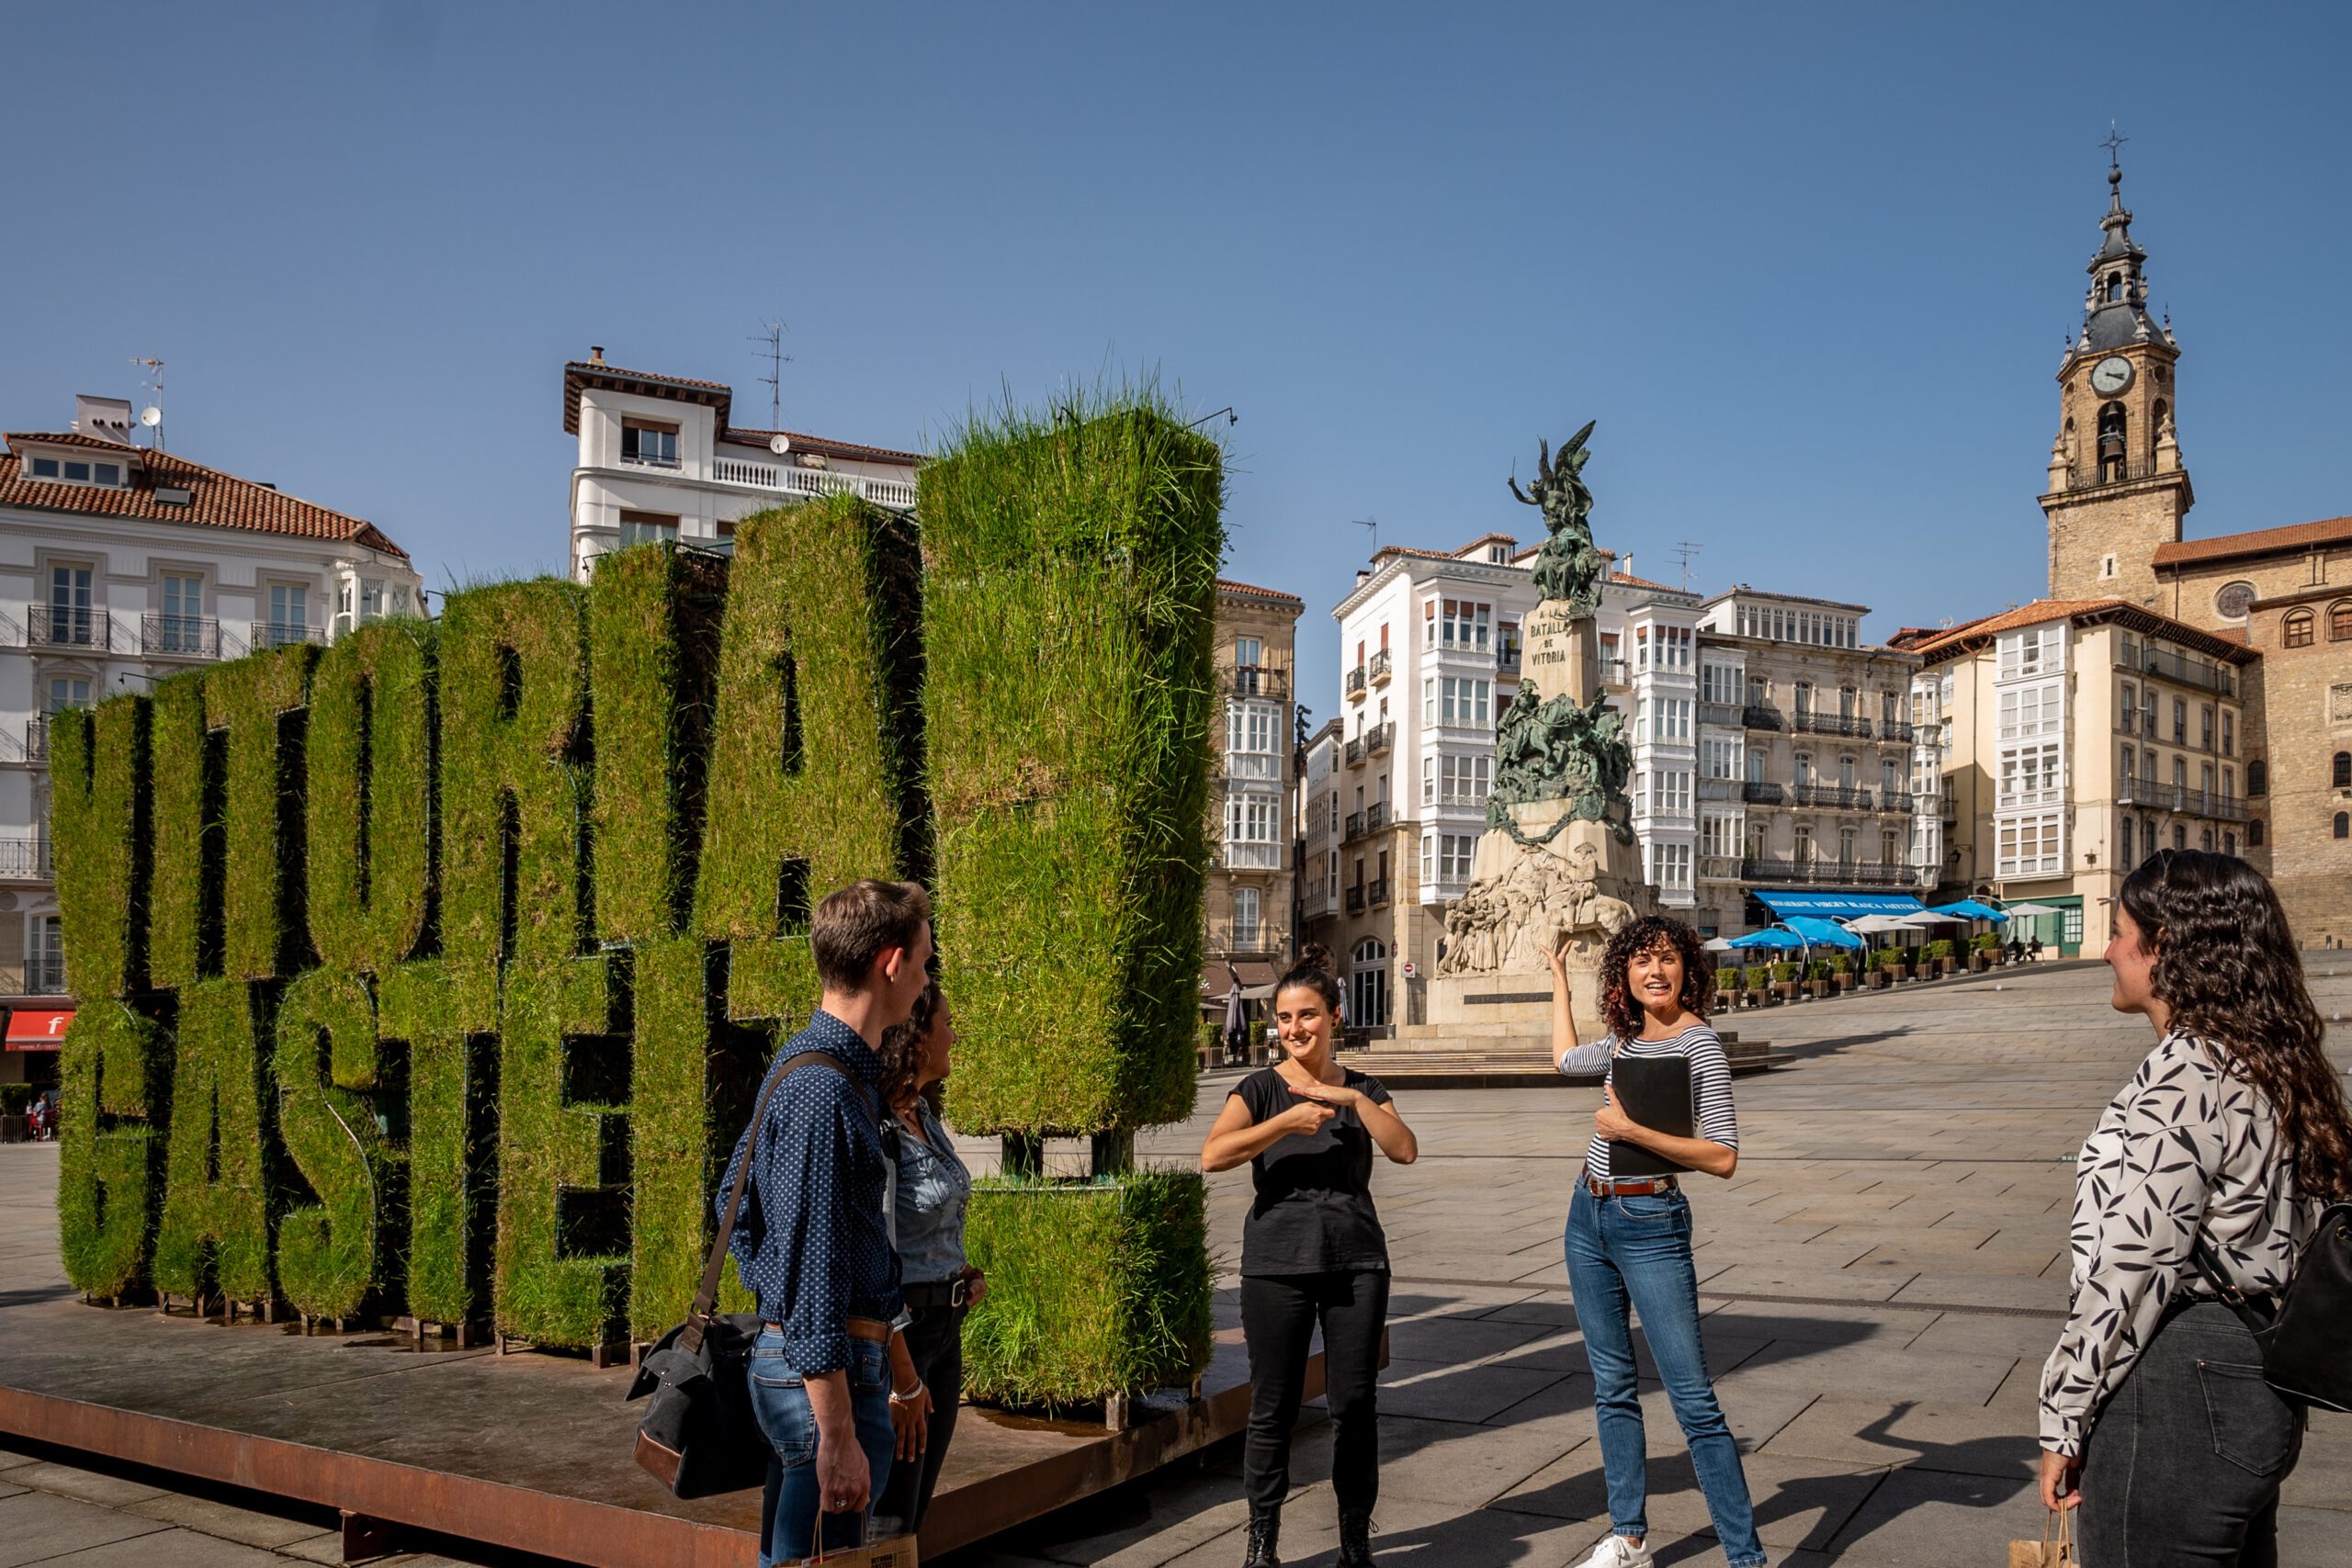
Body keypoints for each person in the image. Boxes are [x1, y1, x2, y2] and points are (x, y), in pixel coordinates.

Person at [2036, 851, 2347, 1562]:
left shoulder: (2186, 1072)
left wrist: (2064, 1414)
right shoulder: (2265, 1056)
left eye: (2119, 931)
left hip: (2178, 1386)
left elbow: (2131, 1267)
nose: (2108, 951)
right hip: (2257, 1372)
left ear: (2165, 944)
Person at [719, 879, 933, 1568]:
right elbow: (813, 1266)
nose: (927, 980)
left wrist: (773, 1287)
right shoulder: (825, 1086)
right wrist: (835, 1432)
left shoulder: (819, 1065)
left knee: (800, 1558)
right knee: (821, 1559)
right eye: (925, 962)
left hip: (815, 1363)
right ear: (891, 963)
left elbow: (733, 1197)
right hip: (828, 1371)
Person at [1550, 917, 1764, 1568]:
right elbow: (1563, 1060)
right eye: (1642, 960)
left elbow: (1723, 1155)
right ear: (1624, 974)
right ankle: (1629, 1537)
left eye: (1666, 958)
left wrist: (1628, 1128)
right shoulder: (1623, 1039)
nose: (1655, 971)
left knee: (1693, 1400)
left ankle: (1746, 1558)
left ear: (1686, 967)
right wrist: (1557, 978)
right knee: (1612, 1384)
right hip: (1587, 1214)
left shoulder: (1699, 1045)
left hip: (1651, 1223)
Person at [1201, 944, 1419, 1567]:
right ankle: (1261, 1542)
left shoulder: (1365, 1088)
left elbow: (1404, 1149)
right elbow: (1213, 1154)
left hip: (1356, 1261)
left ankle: (1355, 1541)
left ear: (1334, 1016)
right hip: (1276, 1263)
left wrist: (1351, 1101)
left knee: (1354, 1405)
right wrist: (1283, 1122)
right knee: (1273, 1405)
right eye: (1285, 1018)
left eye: (1308, 1015)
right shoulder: (1259, 1088)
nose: (1294, 1028)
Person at [870, 979, 986, 1541]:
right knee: (890, 1512)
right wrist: (901, 1376)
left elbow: (930, 1216)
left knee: (913, 1510)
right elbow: (876, 1252)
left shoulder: (922, 1113)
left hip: (944, 1327)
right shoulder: (880, 1127)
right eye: (945, 1024)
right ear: (916, 1038)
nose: (954, 1036)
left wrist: (956, 1270)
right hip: (904, 1337)